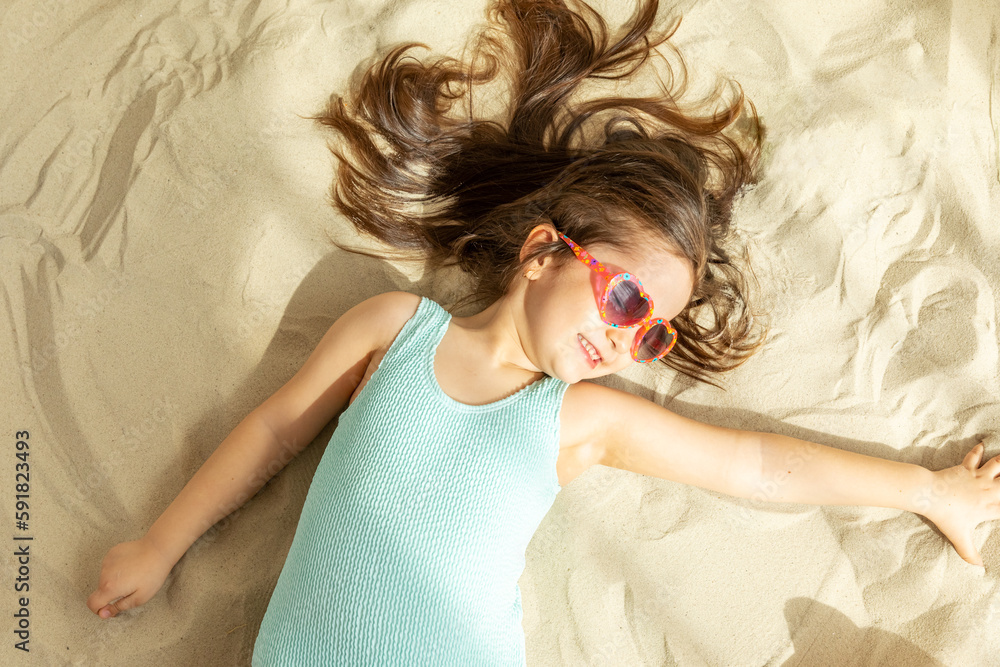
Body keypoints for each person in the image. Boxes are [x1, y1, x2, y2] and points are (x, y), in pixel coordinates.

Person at [87, 0, 1000, 663]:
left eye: (652, 332)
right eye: (626, 299)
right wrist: (162, 543)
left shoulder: (576, 420)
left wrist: (930, 489)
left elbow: (755, 466)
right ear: (542, 253)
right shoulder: (394, 328)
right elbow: (275, 430)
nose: (629, 337)